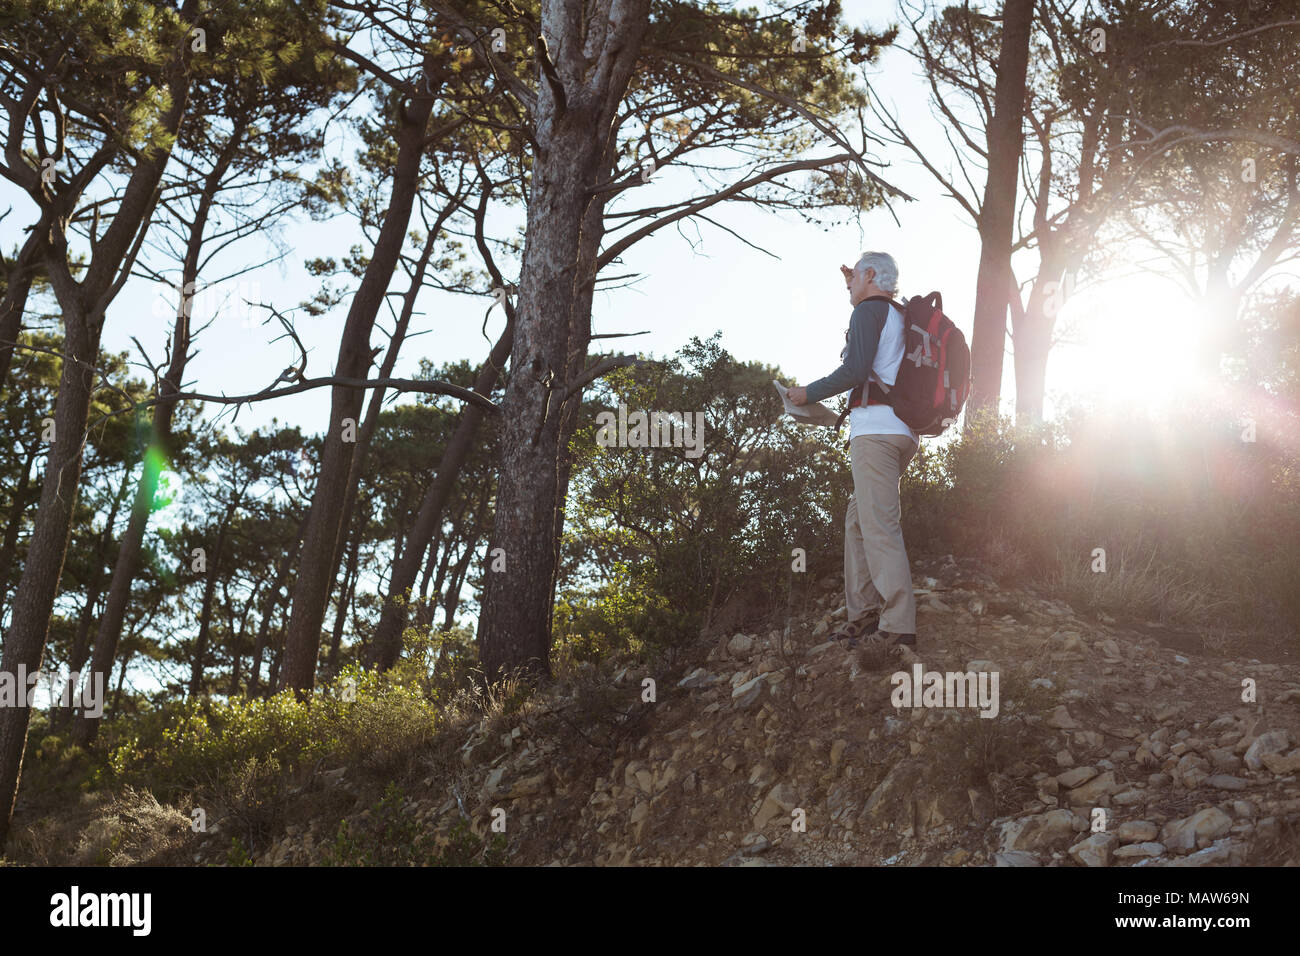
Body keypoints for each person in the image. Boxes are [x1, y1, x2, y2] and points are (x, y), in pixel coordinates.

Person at [786, 252, 918, 659]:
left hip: (876, 433)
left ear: (872, 276)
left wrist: (806, 394)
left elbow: (856, 371)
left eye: (855, 276)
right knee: (858, 519)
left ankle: (898, 627)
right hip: (898, 430)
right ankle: (862, 614)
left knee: (878, 526)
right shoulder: (897, 313)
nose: (849, 285)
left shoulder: (868, 311)